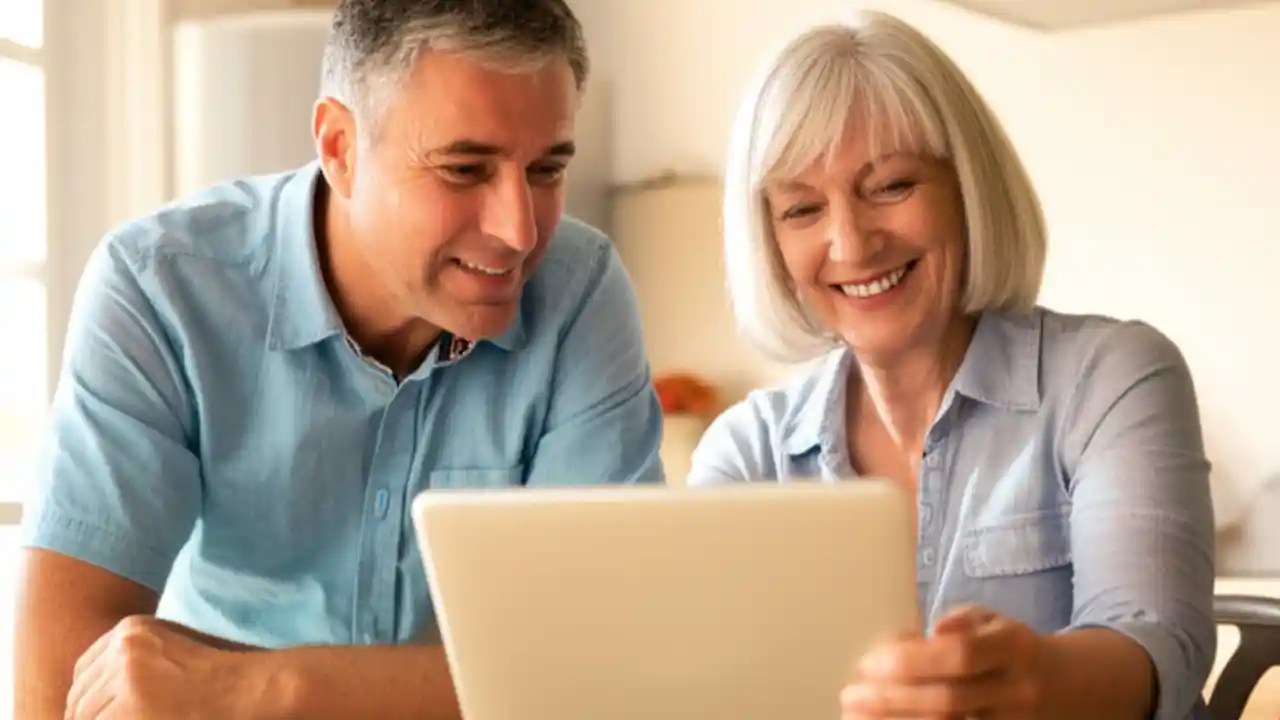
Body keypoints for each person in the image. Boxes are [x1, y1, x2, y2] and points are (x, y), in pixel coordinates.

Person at [16, 1, 663, 717]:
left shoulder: (581, 291)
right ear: (340, 147)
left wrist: (255, 688)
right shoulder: (160, 288)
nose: (518, 230)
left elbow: (603, 661)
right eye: (463, 169)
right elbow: (60, 677)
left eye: (546, 169)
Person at [691, 10, 1214, 720]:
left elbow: (1159, 648)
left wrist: (1034, 678)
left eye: (892, 186)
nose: (851, 243)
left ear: (967, 189)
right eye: (802, 209)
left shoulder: (1112, 377)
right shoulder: (745, 454)